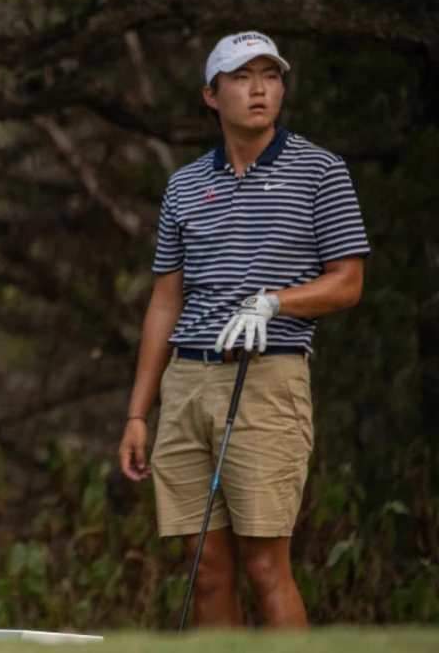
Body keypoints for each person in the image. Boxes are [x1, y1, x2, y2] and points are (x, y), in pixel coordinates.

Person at [117, 31, 369, 627]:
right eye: (241, 76)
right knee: (206, 568)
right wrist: (137, 413)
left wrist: (275, 303)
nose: (259, 88)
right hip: (186, 383)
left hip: (267, 379)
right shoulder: (184, 185)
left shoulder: (320, 171)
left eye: (271, 75)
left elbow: (348, 282)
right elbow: (164, 302)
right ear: (211, 94)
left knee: (265, 564)